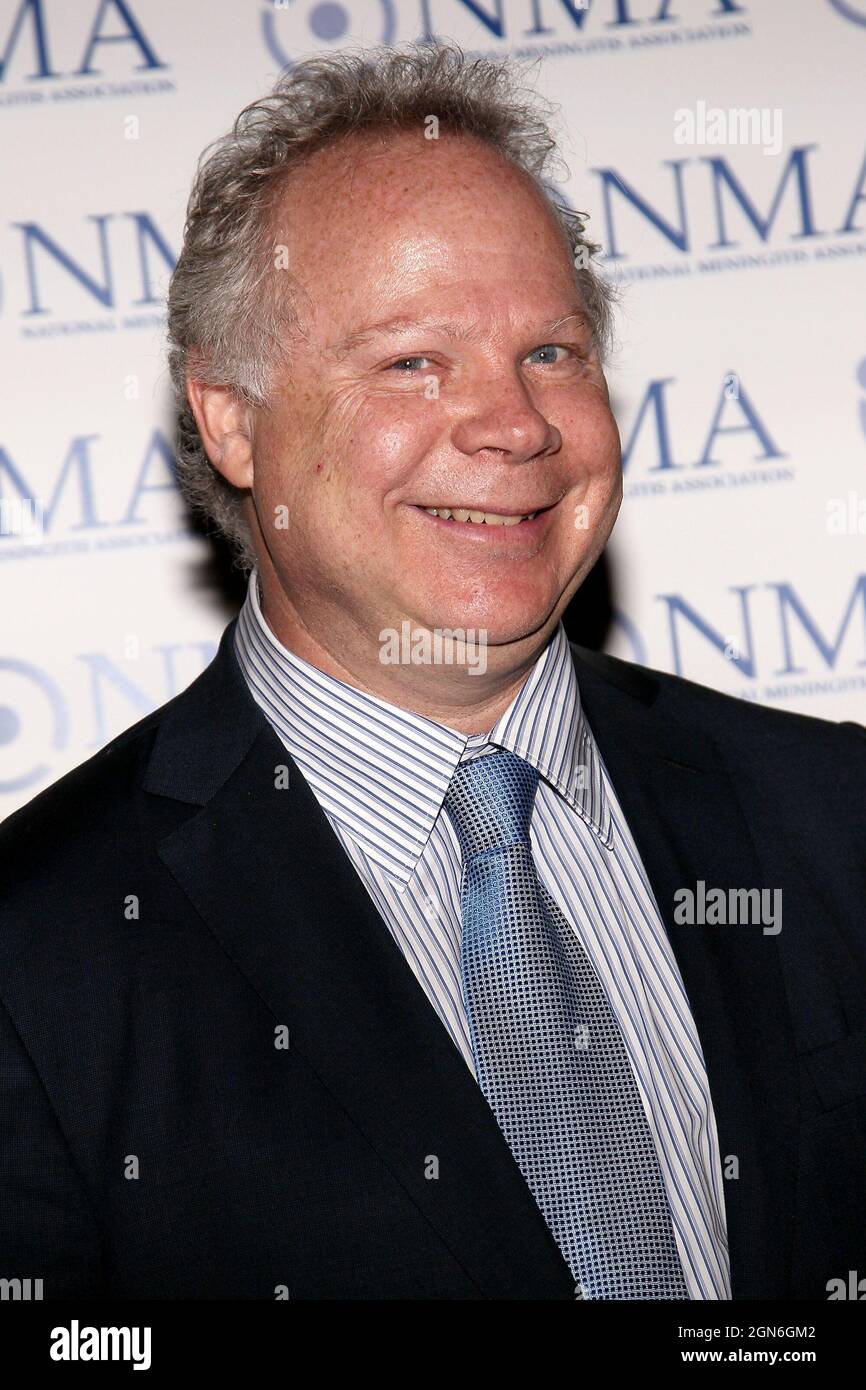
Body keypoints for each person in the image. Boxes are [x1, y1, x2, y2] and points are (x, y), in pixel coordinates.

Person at [2, 41, 864, 1302]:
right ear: (234, 420)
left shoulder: (832, 821)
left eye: (553, 353)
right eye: (413, 360)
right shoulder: (39, 959)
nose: (513, 424)